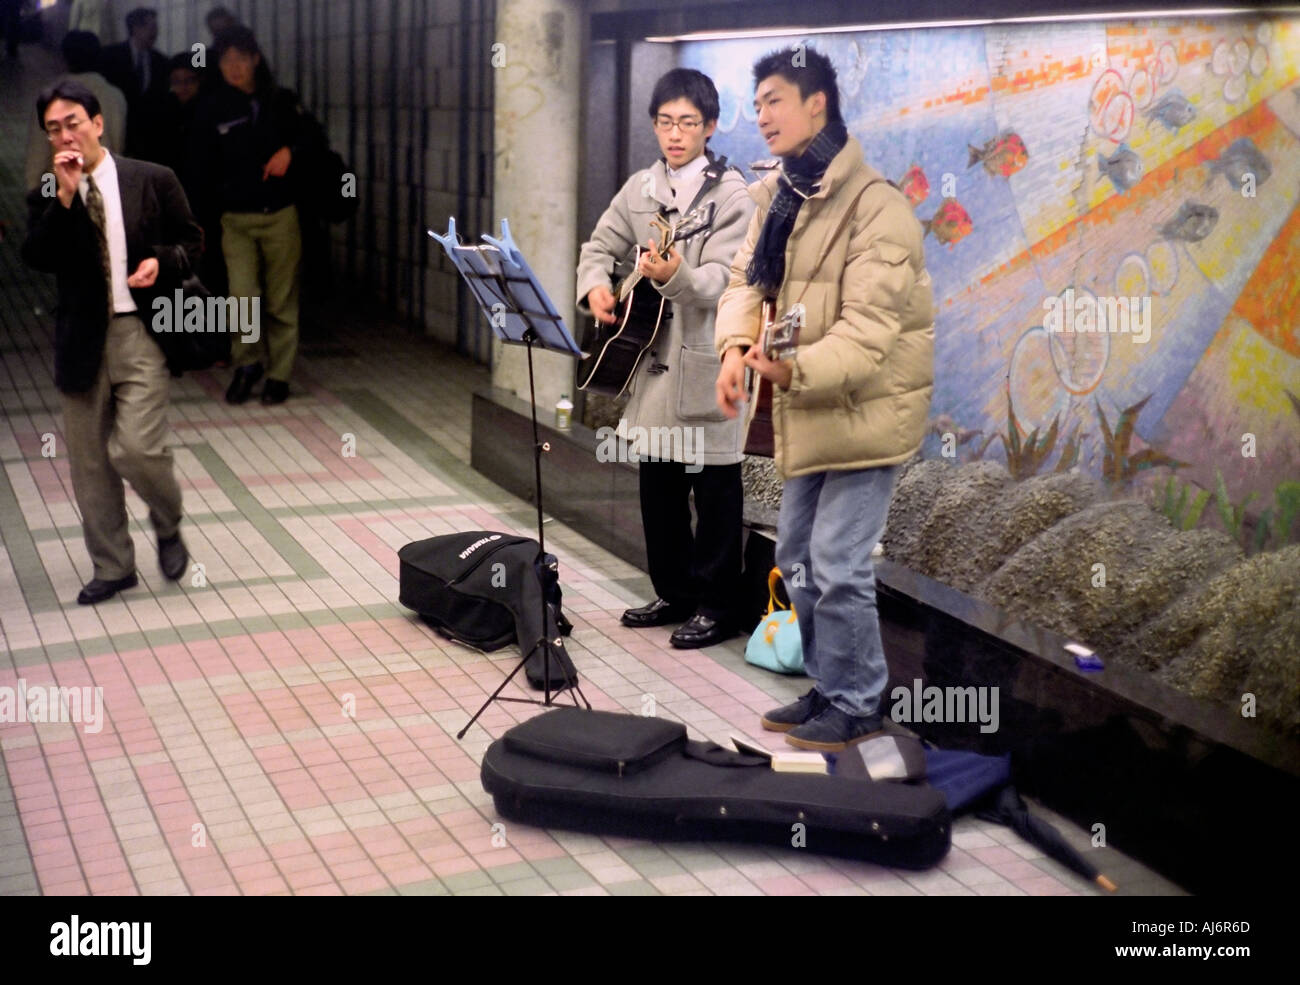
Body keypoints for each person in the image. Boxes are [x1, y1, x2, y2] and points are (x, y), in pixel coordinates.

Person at [714, 47, 935, 750]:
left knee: (838, 559)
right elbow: (746, 282)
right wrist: (732, 350)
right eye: (759, 103)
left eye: (776, 99)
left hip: (869, 411)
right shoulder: (782, 196)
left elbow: (868, 335)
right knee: (800, 558)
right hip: (810, 404)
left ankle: (861, 700)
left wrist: (788, 370)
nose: (763, 115)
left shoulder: (879, 209)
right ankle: (831, 683)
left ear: (819, 105)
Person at [577, 68, 754, 649]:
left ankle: (719, 605)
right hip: (652, 362)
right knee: (659, 488)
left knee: (716, 491)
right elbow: (599, 245)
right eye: (665, 122)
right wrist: (598, 285)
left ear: (709, 127)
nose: (675, 134)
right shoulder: (641, 188)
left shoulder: (731, 196)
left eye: (688, 123)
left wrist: (673, 274)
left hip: (705, 362)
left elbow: (727, 282)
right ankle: (674, 593)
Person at [21, 80, 202, 605]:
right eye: (53, 128)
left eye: (72, 122)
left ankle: (167, 523)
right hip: (81, 337)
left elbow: (192, 241)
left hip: (138, 331)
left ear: (97, 123)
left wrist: (160, 262)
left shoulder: (152, 179)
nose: (65, 135)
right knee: (90, 464)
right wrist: (66, 199)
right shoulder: (50, 189)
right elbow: (36, 256)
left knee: (138, 450)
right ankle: (114, 565)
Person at [190, 25, 305, 406]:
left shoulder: (282, 101)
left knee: (280, 299)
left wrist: (291, 151)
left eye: (241, 58)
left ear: (256, 58)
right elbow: (199, 168)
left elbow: (314, 143)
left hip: (280, 215)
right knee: (242, 298)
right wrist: (198, 222)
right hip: (234, 219)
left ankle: (279, 374)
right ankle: (247, 363)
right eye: (226, 60)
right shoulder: (211, 108)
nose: (234, 67)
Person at [24, 31, 127, 191]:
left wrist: (45, 197)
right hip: (104, 189)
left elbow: (39, 159)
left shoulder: (49, 98)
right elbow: (118, 147)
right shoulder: (114, 96)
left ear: (65, 58)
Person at [98, 7, 169, 162]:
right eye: (150, 27)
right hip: (118, 131)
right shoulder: (111, 56)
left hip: (150, 139)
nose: (155, 32)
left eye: (156, 27)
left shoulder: (161, 61)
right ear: (135, 28)